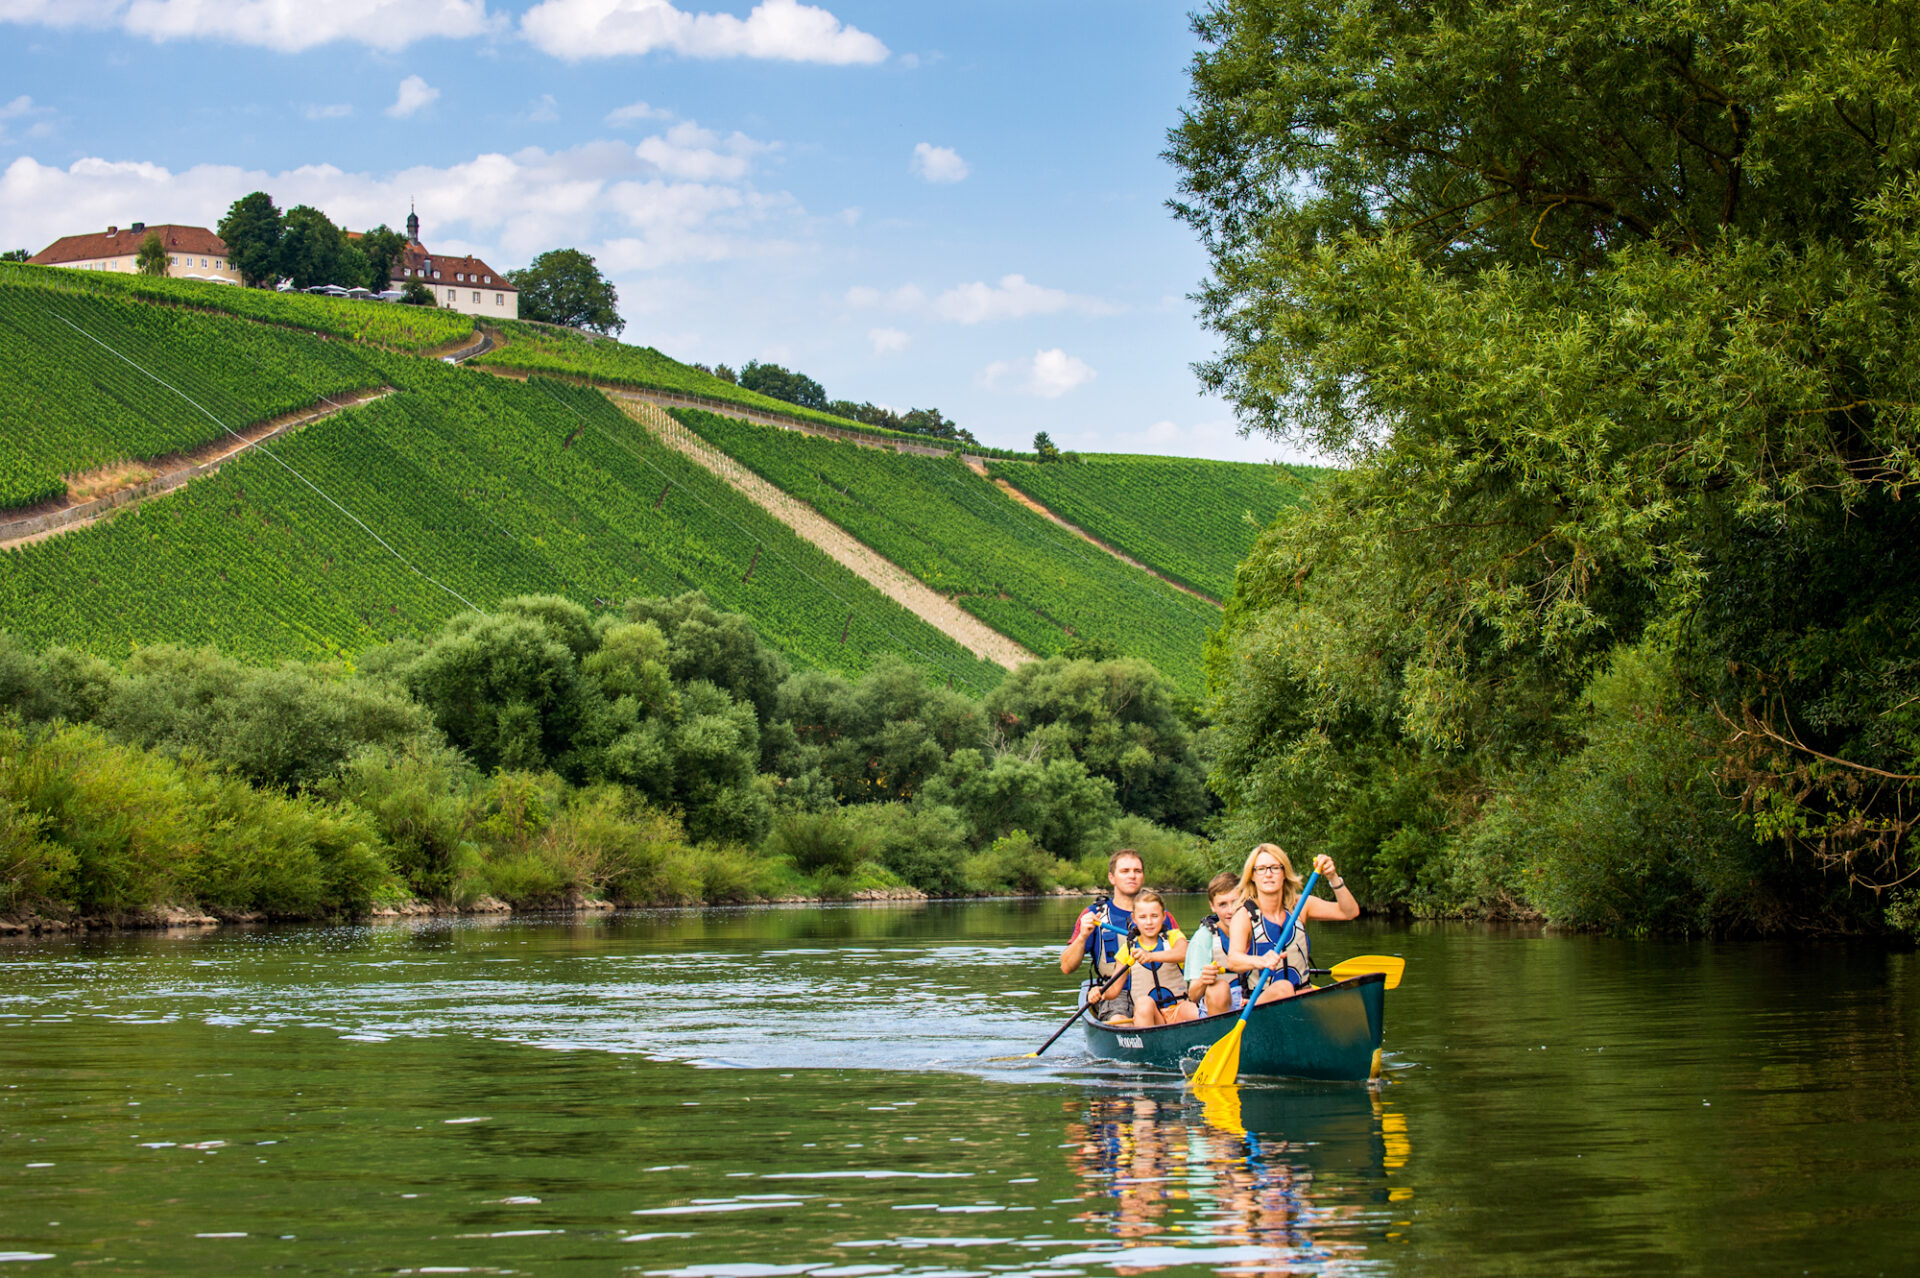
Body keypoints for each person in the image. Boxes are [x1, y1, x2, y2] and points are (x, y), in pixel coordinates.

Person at [1224, 843, 1358, 1007]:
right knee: (1283, 987)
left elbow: (1349, 912)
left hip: (1301, 998)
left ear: (1284, 873)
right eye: (1261, 869)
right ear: (1252, 875)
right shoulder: (1244, 915)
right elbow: (1234, 960)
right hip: (1262, 1005)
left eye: (1275, 868)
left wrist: (1333, 877)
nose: (1268, 874)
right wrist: (1261, 961)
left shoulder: (1300, 906)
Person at [1061, 848, 1182, 1023]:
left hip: (1157, 989)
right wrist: (1082, 937)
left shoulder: (1162, 916)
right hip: (1116, 994)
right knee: (1118, 1018)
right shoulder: (1093, 915)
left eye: (1137, 871)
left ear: (1143, 877)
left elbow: (1184, 955)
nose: (1132, 876)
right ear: (1112, 878)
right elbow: (1066, 967)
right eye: (1125, 871)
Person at [1124, 890, 1198, 1026]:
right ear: (1134, 919)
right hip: (1151, 1017)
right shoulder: (1127, 949)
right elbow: (1113, 990)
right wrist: (1098, 992)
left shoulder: (1174, 936)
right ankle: (1148, 1044)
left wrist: (1150, 956)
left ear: (1164, 916)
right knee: (1143, 1003)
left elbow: (1184, 953)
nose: (1149, 922)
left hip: (1178, 1011)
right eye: (1143, 917)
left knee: (1191, 1008)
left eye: (1154, 916)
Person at [1183, 871, 1247, 1018]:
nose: (1230, 911)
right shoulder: (1203, 937)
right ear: (1212, 906)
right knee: (1218, 989)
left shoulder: (1257, 929)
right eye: (1223, 904)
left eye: (1236, 902)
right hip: (1218, 1008)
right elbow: (1193, 996)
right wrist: (1203, 980)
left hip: (1252, 1003)